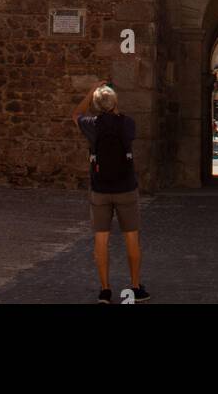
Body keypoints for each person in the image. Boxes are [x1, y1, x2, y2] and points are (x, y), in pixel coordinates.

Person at [72, 80, 150, 303]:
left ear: (96, 105)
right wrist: (114, 106)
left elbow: (75, 114)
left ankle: (105, 290)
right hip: (126, 187)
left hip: (100, 189)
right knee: (132, 238)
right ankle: (135, 287)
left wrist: (91, 91)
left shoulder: (91, 124)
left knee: (101, 240)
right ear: (115, 102)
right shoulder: (128, 124)